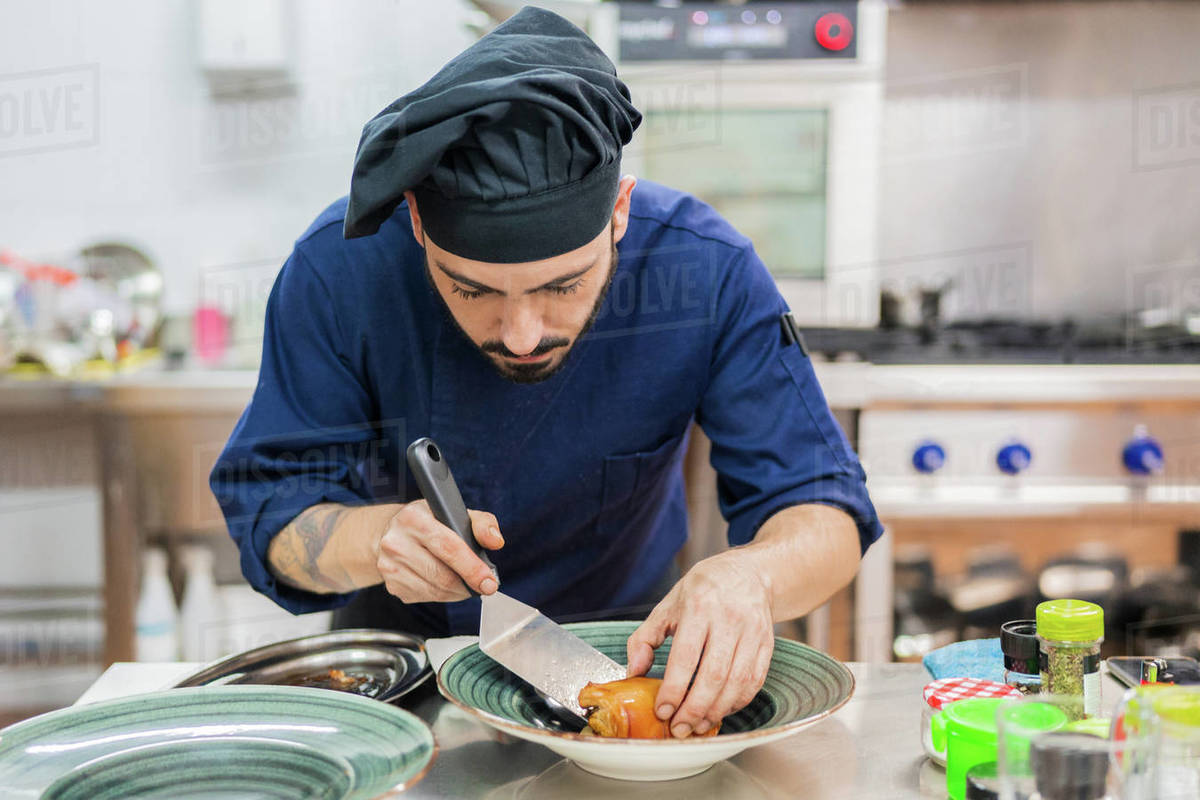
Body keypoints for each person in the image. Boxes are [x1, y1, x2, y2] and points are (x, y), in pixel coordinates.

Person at [210, 7, 881, 740]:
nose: (522, 335)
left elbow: (824, 513)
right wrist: (376, 540)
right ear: (415, 223)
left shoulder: (702, 271)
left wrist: (752, 575)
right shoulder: (339, 273)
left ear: (619, 215)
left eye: (562, 285)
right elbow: (274, 517)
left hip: (634, 685)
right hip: (405, 694)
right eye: (472, 290)